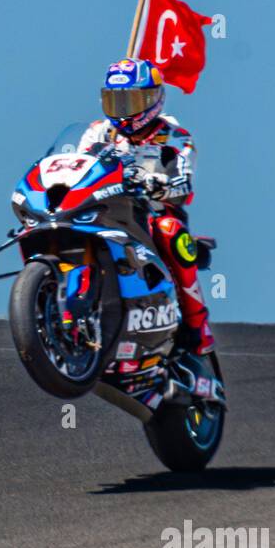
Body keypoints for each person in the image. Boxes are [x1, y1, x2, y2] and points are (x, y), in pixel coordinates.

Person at [77, 58, 214, 355]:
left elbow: (184, 180)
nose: (123, 109)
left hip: (151, 214)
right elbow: (80, 168)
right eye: (115, 100)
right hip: (105, 210)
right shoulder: (97, 133)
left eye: (131, 100)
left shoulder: (176, 136)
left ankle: (197, 324)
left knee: (170, 230)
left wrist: (164, 184)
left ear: (154, 99)